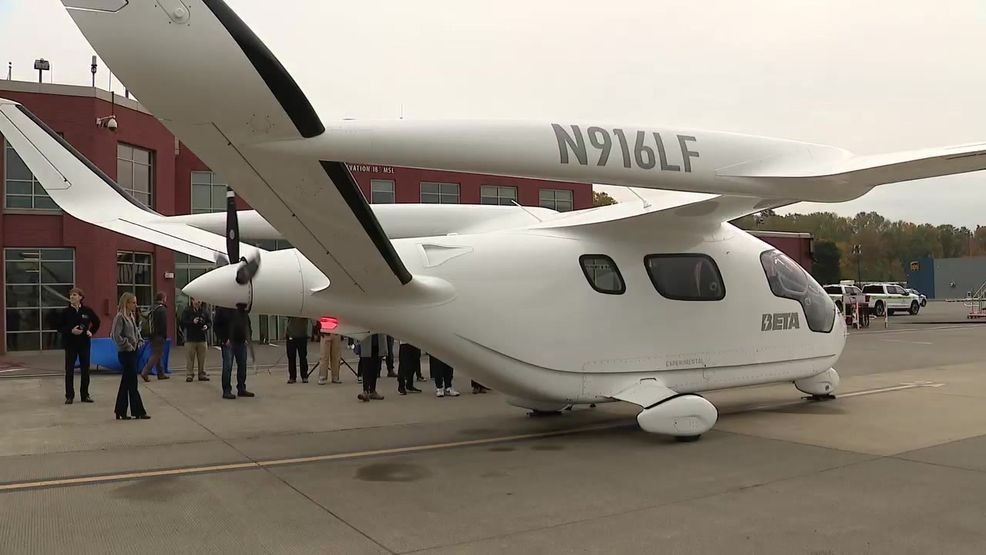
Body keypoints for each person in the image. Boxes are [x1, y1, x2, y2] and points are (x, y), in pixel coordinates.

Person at [59, 287, 101, 405]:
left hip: (84, 343)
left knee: (85, 370)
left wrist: (91, 332)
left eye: (75, 295)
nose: (72, 297)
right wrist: (70, 330)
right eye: (71, 295)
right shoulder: (65, 312)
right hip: (70, 344)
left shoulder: (87, 311)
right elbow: (59, 327)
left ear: (81, 297)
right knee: (69, 370)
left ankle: (85, 395)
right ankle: (69, 396)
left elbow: (97, 322)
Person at [111, 292, 149, 420]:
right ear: (126, 303)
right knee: (131, 382)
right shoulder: (120, 317)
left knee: (128, 382)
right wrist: (127, 344)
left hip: (133, 352)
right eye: (133, 302)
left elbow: (135, 332)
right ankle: (138, 411)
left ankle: (121, 410)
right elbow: (115, 335)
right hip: (125, 353)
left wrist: (139, 340)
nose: (135, 305)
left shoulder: (131, 316)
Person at [216, 303, 255, 400]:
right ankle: (226, 390)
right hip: (228, 343)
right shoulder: (222, 308)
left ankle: (241, 388)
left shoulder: (241, 307)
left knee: (242, 365)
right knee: (227, 366)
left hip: (241, 342)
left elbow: (247, 323)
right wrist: (224, 339)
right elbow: (217, 325)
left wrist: (248, 337)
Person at [140, 291, 170, 382]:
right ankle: (145, 372)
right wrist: (164, 336)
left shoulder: (152, 308)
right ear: (163, 298)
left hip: (151, 334)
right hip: (159, 335)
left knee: (157, 353)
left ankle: (160, 373)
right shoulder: (162, 309)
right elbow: (163, 324)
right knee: (157, 354)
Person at [180, 297, 211, 382]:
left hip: (202, 338)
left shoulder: (204, 311)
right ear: (192, 301)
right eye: (196, 300)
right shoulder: (187, 311)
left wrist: (207, 326)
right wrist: (192, 321)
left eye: (199, 300)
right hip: (190, 338)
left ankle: (202, 374)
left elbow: (209, 322)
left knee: (202, 358)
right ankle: (189, 374)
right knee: (190, 358)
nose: (197, 302)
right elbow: (182, 322)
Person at [356, 333, 388, 402]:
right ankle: (365, 391)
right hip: (366, 340)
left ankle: (372, 391)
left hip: (377, 343)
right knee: (366, 368)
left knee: (375, 368)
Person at [285, 316, 310, 383]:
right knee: (291, 357)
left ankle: (304, 376)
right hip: (291, 335)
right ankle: (292, 377)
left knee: (303, 357)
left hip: (302, 335)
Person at [317, 318, 342, 385]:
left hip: (336, 331)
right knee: (324, 356)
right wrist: (319, 329)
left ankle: (335, 377)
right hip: (325, 332)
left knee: (336, 356)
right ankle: (322, 377)